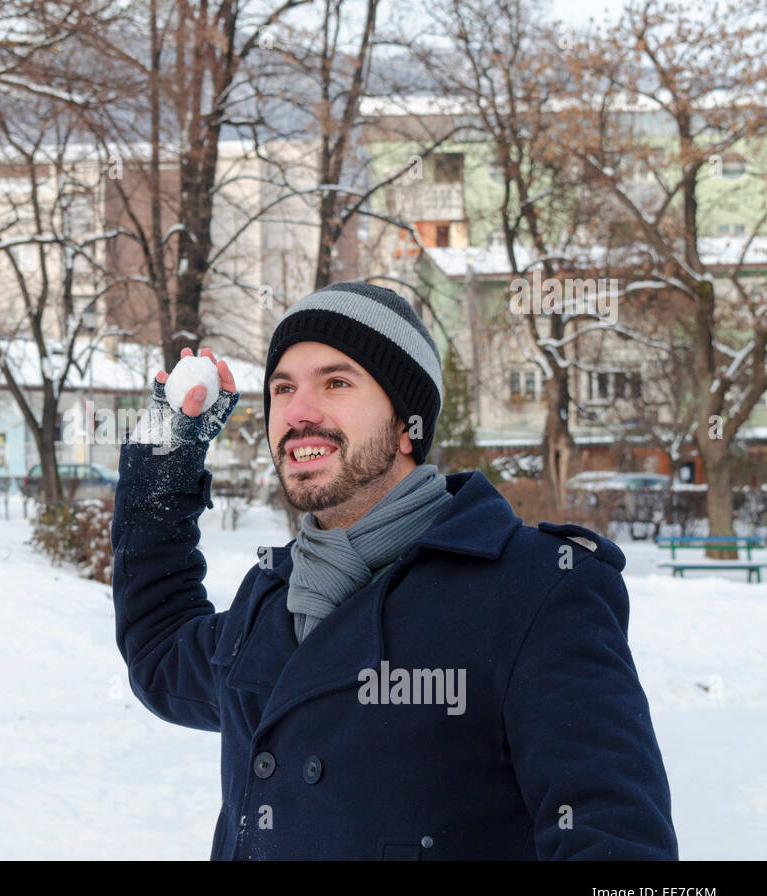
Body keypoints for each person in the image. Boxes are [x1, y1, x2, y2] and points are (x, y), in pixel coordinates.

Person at [112, 280, 678, 860]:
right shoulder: (270, 602)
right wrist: (166, 453)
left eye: (336, 383)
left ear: (408, 424)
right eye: (283, 388)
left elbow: (615, 843)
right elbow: (159, 654)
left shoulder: (535, 588)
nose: (298, 412)